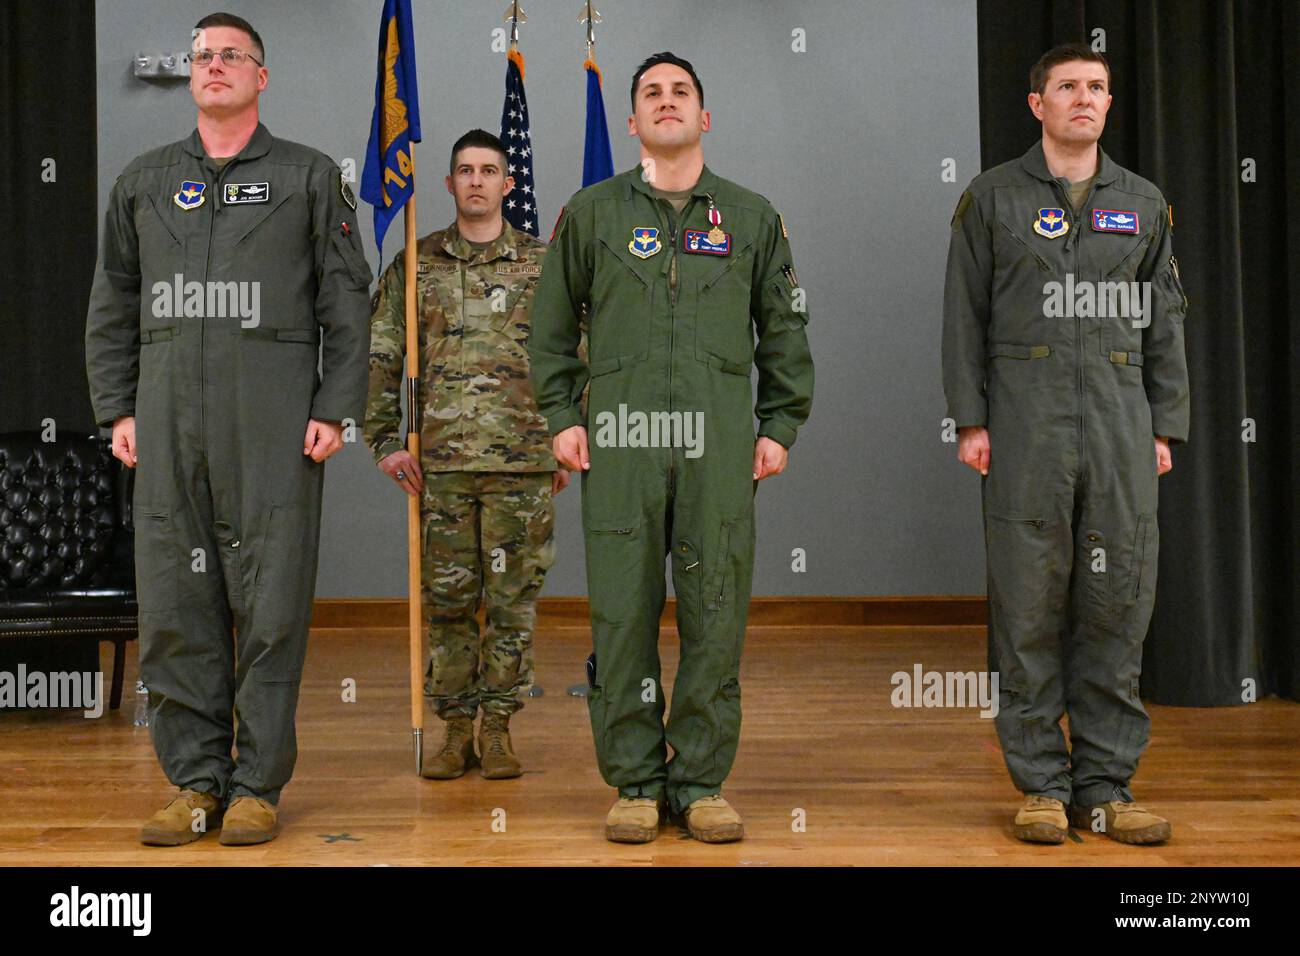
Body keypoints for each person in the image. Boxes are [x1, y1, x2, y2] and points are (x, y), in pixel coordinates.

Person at [84, 12, 372, 846]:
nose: (213, 67)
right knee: (177, 600)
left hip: (273, 415)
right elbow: (113, 301)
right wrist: (117, 406)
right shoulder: (144, 180)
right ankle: (193, 781)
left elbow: (346, 301)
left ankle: (255, 785)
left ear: (261, 76)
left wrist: (334, 406)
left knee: (271, 601)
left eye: (231, 56)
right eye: (202, 56)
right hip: (168, 412)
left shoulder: (308, 177)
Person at [529, 52, 814, 844]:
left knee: (714, 610)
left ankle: (700, 780)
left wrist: (779, 424)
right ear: (632, 120)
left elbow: (785, 329)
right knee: (620, 612)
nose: (666, 102)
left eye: (680, 92)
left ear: (704, 116)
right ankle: (634, 781)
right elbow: (549, 330)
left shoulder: (752, 218)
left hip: (718, 444)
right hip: (619, 441)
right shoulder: (591, 213)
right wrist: (561, 415)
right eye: (650, 93)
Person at [942, 43, 1189, 845]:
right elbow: (963, 317)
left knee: (1118, 608)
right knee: (1029, 605)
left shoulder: (1143, 204)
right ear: (1037, 104)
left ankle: (1107, 788)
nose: (1085, 99)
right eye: (1068, 87)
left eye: (1098, 88)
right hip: (1025, 423)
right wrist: (970, 418)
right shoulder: (992, 199)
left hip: (1120, 427)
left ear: (1109, 105)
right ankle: (1043, 786)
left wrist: (1164, 424)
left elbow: (1167, 323)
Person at [365, 129, 565, 780]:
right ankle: (455, 729)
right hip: (441, 466)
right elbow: (383, 351)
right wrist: (384, 441)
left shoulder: (545, 265)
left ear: (509, 184)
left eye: (489, 170)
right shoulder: (417, 263)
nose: (476, 180)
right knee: (448, 604)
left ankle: (500, 726)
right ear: (448, 185)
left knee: (513, 603)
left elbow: (577, 355)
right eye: (464, 171)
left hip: (524, 463)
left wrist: (569, 436)